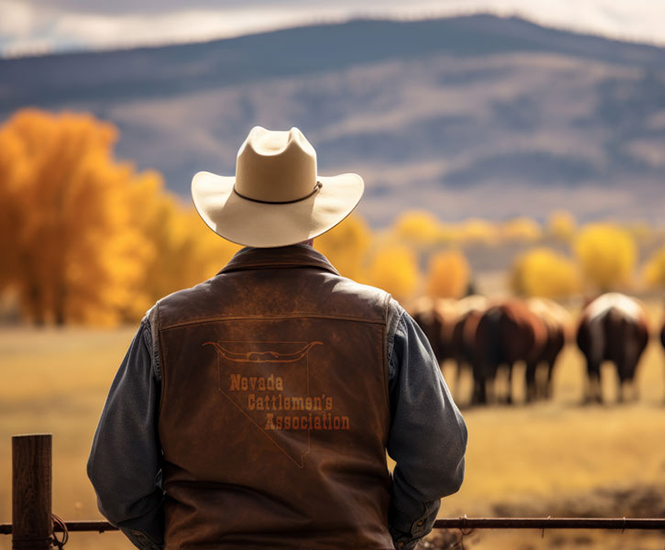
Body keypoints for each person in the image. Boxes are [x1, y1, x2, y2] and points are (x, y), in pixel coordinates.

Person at [87, 126, 468, 550]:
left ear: (235, 212)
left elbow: (116, 477)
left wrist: (176, 539)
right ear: (316, 213)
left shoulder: (167, 324)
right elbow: (439, 457)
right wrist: (394, 532)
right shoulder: (382, 320)